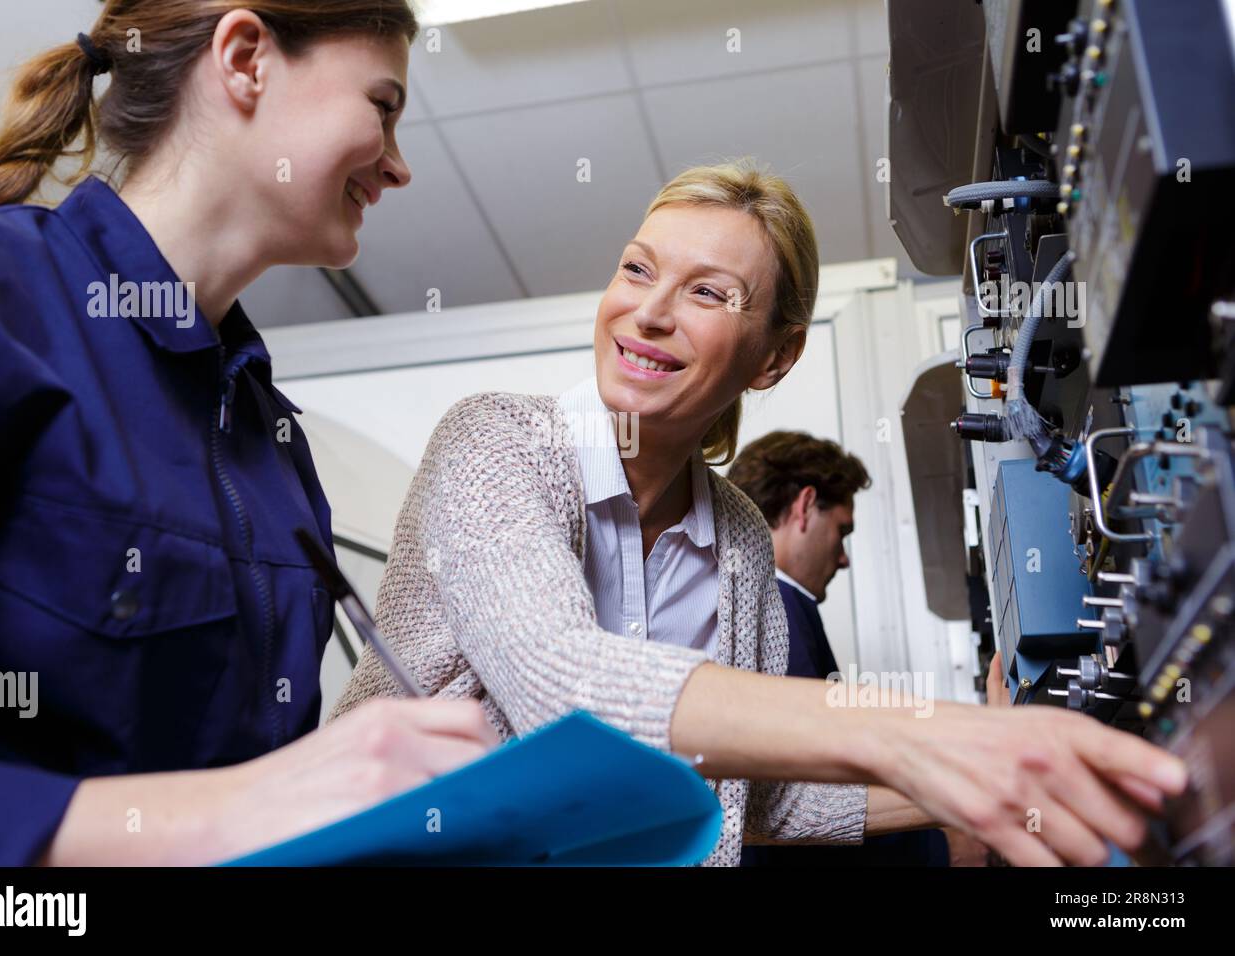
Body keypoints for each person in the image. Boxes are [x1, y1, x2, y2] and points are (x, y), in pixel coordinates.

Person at [331, 158, 1188, 867]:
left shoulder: (740, 540)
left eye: (708, 295)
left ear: (775, 357)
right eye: (638, 268)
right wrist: (923, 733)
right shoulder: (497, 443)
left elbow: (760, 797)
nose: (650, 313)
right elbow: (563, 685)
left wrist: (998, 780)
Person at [0, 1, 499, 866]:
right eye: (382, 108)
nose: (397, 166)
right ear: (244, 57)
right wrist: (225, 815)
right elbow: (246, 805)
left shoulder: (275, 446)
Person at [729, 430, 951, 866]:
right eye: (842, 530)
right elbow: (808, 806)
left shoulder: (763, 604)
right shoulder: (778, 613)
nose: (844, 557)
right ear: (805, 506)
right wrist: (941, 843)